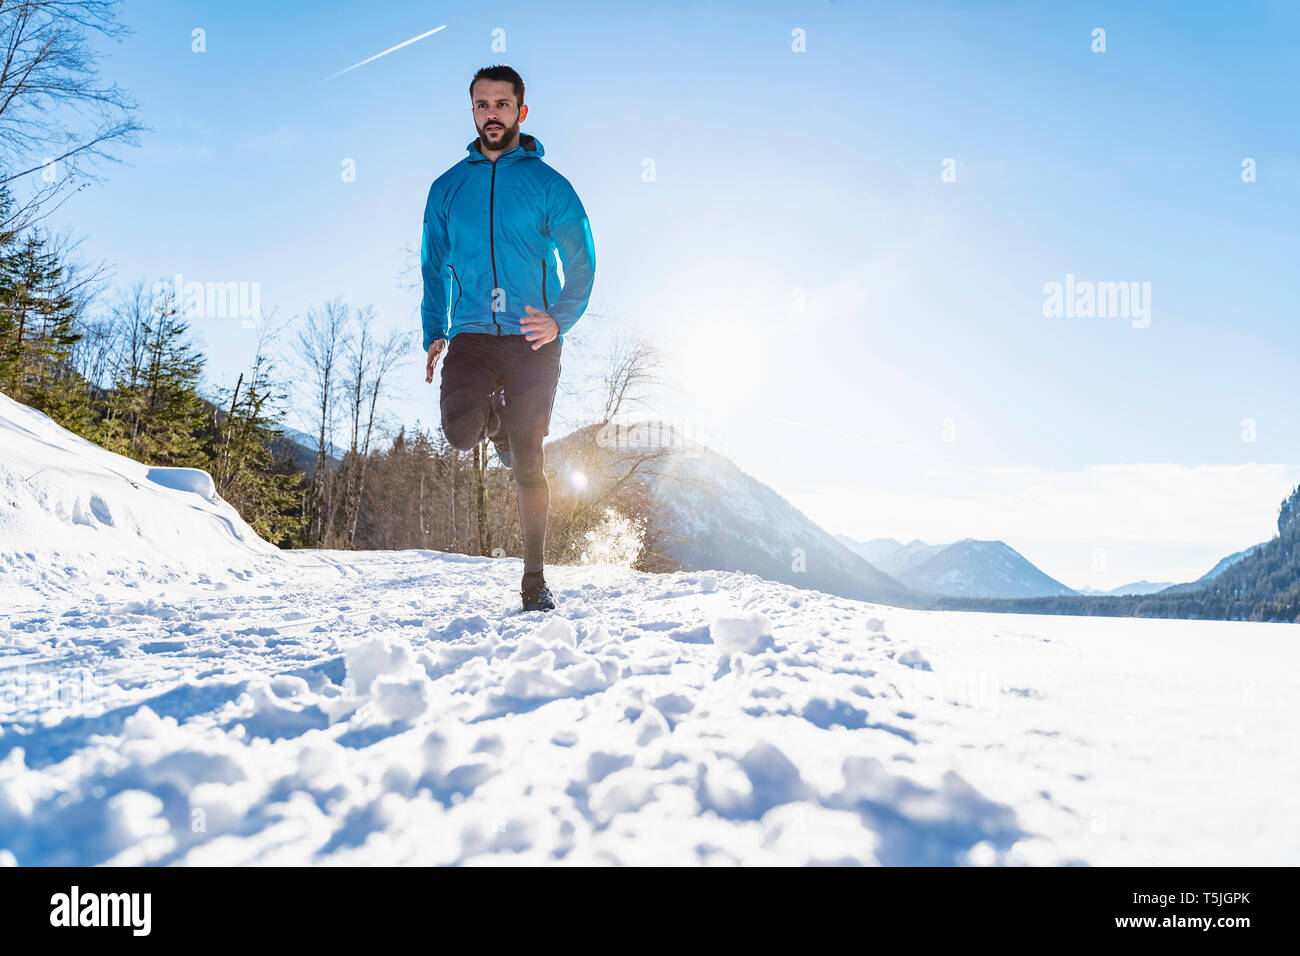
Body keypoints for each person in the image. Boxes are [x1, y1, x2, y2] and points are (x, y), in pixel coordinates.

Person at [421, 64, 596, 612]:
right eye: (481, 104)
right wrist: (434, 328)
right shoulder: (447, 188)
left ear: (521, 111)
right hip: (472, 333)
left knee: (528, 460)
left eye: (501, 104)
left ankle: (534, 578)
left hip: (532, 340)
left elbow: (582, 260)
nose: (490, 113)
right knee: (458, 430)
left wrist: (559, 318)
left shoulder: (549, 185)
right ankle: (492, 424)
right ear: (472, 111)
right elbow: (433, 265)